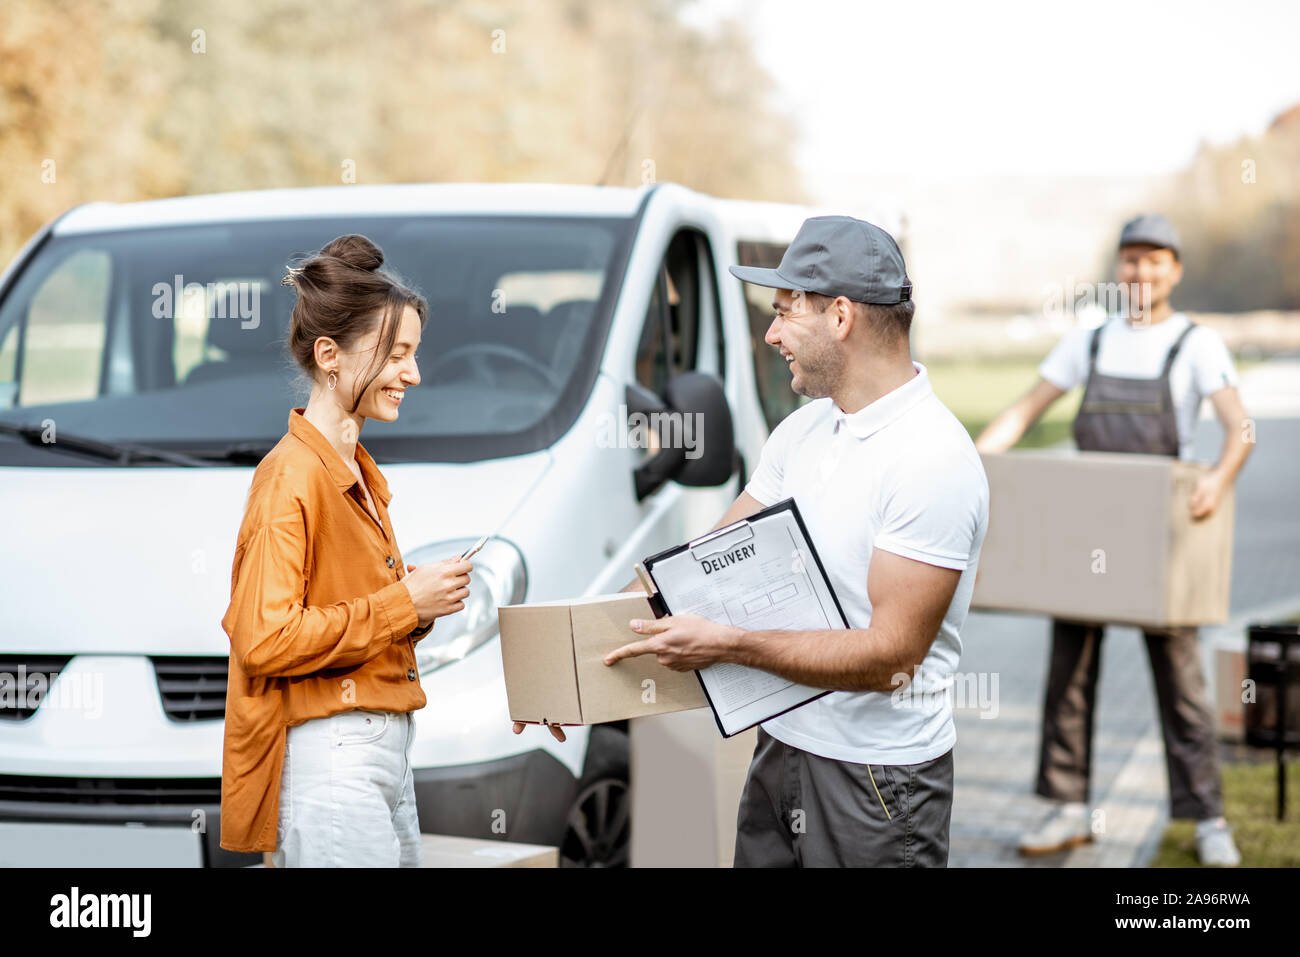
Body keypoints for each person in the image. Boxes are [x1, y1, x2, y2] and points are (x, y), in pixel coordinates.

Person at [515, 216, 989, 867]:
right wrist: (565, 674)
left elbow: (891, 657)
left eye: (784, 313)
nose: (770, 334)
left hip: (876, 784)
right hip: (781, 749)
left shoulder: (932, 459)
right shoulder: (803, 432)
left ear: (841, 316)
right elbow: (686, 574)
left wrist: (732, 644)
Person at [975, 213, 1253, 866]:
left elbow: (1240, 430)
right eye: (1130, 259)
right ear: (1118, 269)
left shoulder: (1197, 344)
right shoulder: (1089, 342)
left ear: (1174, 270)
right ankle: (1068, 806)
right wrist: (973, 464)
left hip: (1161, 534)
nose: (1140, 271)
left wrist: (1217, 479)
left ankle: (1208, 818)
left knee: (1181, 680)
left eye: (1155, 260)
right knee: (1068, 673)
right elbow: (1023, 411)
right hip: (1087, 532)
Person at [220, 234, 473, 867]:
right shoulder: (290, 477)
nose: (412, 373)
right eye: (396, 354)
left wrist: (415, 606)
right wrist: (400, 603)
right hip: (334, 763)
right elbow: (265, 639)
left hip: (383, 756)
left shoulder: (356, 470)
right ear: (329, 356)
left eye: (414, 354)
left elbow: (339, 610)